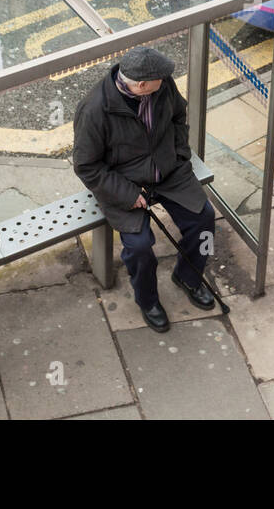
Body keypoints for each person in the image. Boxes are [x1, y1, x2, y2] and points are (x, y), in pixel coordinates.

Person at [72, 46, 216, 333]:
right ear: (141, 85)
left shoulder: (162, 85)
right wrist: (126, 194)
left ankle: (189, 275)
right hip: (123, 185)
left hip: (168, 171)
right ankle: (148, 300)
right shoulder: (94, 110)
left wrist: (178, 154)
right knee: (139, 248)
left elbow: (179, 115)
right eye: (159, 80)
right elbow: (87, 166)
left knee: (205, 220)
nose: (166, 81)